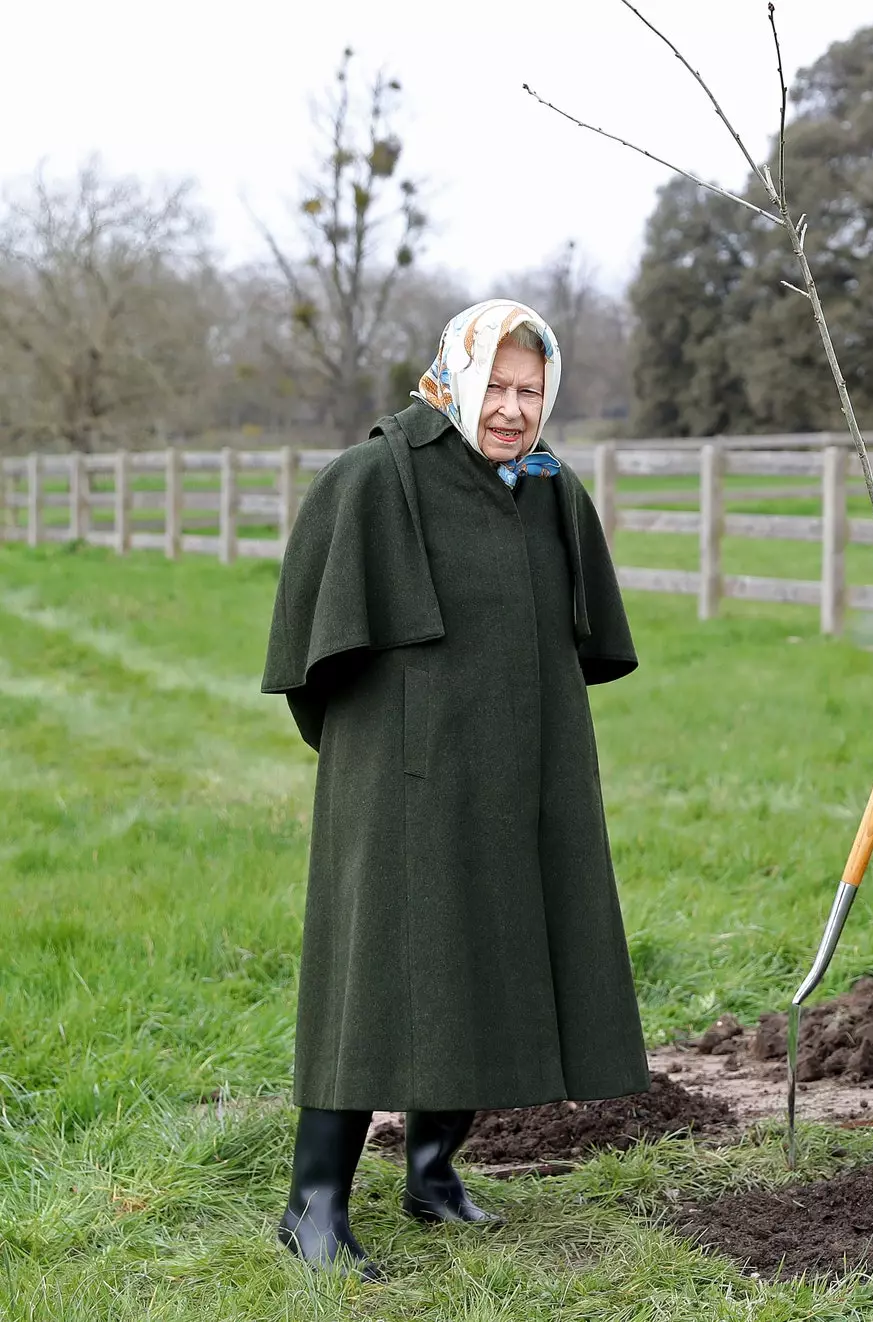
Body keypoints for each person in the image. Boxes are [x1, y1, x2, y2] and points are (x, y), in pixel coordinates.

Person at [262, 300, 649, 1278]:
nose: (515, 408)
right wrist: (384, 754)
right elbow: (313, 660)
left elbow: (585, 634)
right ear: (458, 375)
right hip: (403, 775)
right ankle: (313, 1203)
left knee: (492, 953)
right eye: (500, 386)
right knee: (377, 973)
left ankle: (433, 1171)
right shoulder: (371, 479)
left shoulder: (550, 490)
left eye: (532, 390)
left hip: (525, 767)